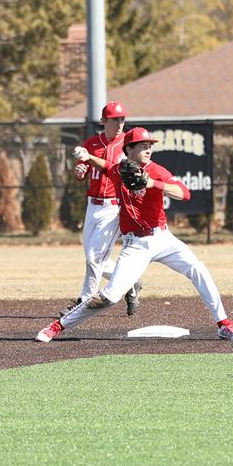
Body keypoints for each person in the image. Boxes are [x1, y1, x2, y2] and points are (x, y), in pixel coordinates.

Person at [40, 128, 233, 343]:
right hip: (135, 244)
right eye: (143, 146)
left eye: (150, 146)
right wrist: (89, 157)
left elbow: (184, 193)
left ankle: (223, 324)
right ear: (128, 149)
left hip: (163, 238)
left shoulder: (156, 171)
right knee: (109, 297)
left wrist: (151, 183)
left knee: (198, 269)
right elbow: (107, 166)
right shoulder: (120, 170)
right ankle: (57, 326)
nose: (148, 149)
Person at [66, 101, 143, 316]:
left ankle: (84, 300)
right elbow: (82, 171)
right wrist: (80, 172)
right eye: (114, 119)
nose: (119, 123)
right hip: (93, 205)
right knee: (93, 257)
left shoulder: (128, 144)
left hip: (114, 207)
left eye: (122, 119)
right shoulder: (92, 143)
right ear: (104, 121)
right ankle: (130, 281)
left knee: (95, 259)